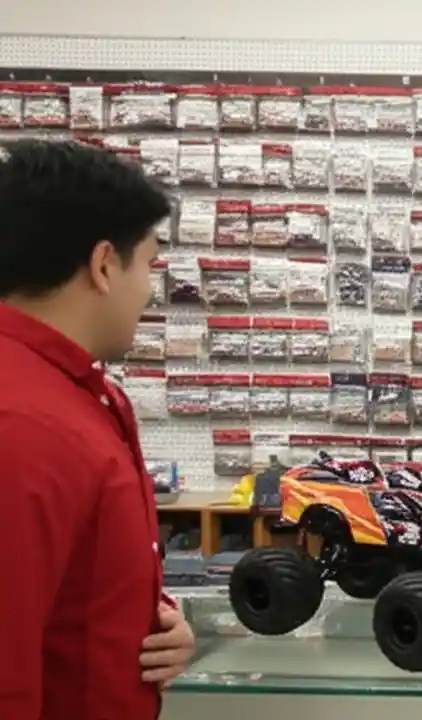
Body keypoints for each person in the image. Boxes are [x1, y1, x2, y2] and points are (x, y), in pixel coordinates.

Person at [0, 139, 196, 719]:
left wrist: (151, 623)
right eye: (151, 264)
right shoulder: (22, 426)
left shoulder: (81, 395)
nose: (149, 292)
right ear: (104, 264)